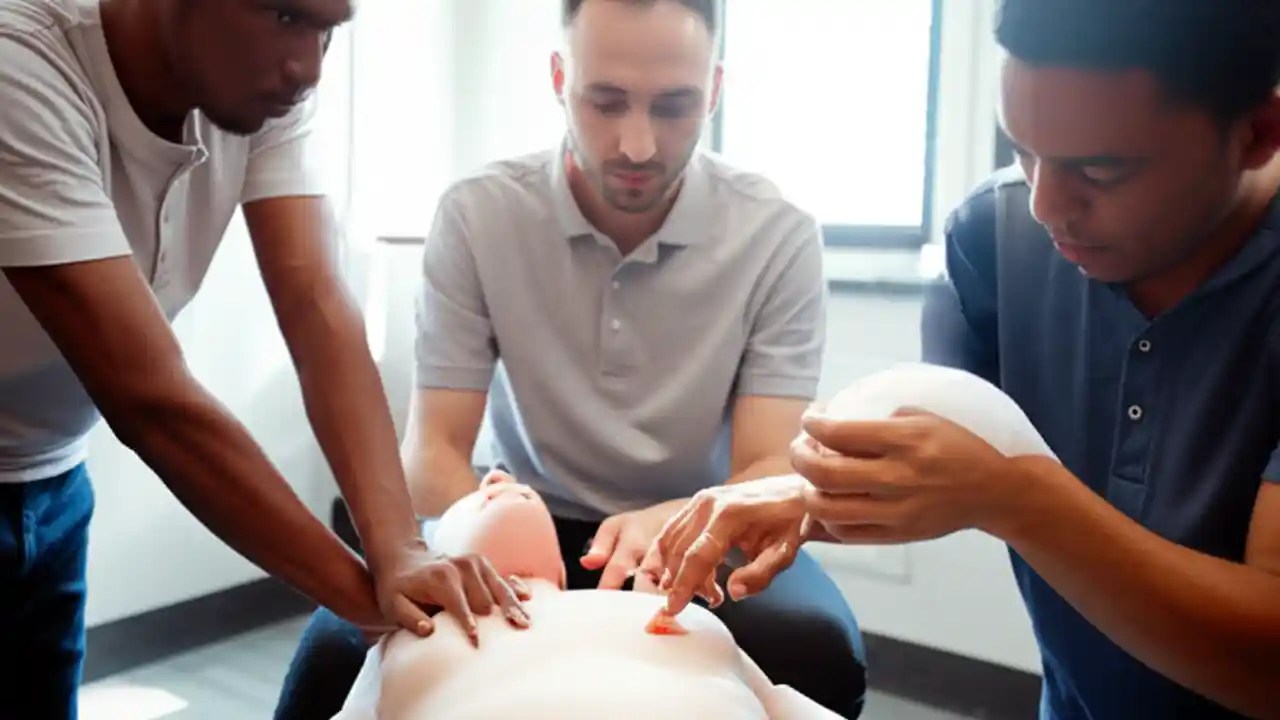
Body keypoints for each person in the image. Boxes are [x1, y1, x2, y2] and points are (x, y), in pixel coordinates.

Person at [649, 1, 1280, 718]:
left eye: (1100, 170)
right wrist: (810, 491)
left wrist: (1019, 497)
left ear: (1259, 133)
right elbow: (940, 457)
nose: (1046, 205)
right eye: (1023, 150)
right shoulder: (993, 239)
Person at [274, 0, 866, 717]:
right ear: (560, 78)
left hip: (696, 527)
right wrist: (486, 538)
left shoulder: (779, 236)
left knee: (817, 647)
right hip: (521, 518)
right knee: (335, 654)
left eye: (674, 106)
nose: (638, 145)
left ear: (713, 91)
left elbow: (770, 466)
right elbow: (432, 451)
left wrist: (677, 520)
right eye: (606, 101)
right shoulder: (478, 215)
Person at [0, 0, 526, 715]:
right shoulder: (20, 63)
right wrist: (380, 613)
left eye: (328, 29)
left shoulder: (262, 93)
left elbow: (317, 309)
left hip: (53, 478)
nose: (307, 66)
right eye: (284, 17)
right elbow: (151, 402)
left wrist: (401, 551)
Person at [330, 469, 845, 720]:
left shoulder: (658, 603)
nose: (496, 477)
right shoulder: (415, 625)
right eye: (482, 494)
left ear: (560, 566)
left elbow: (777, 700)